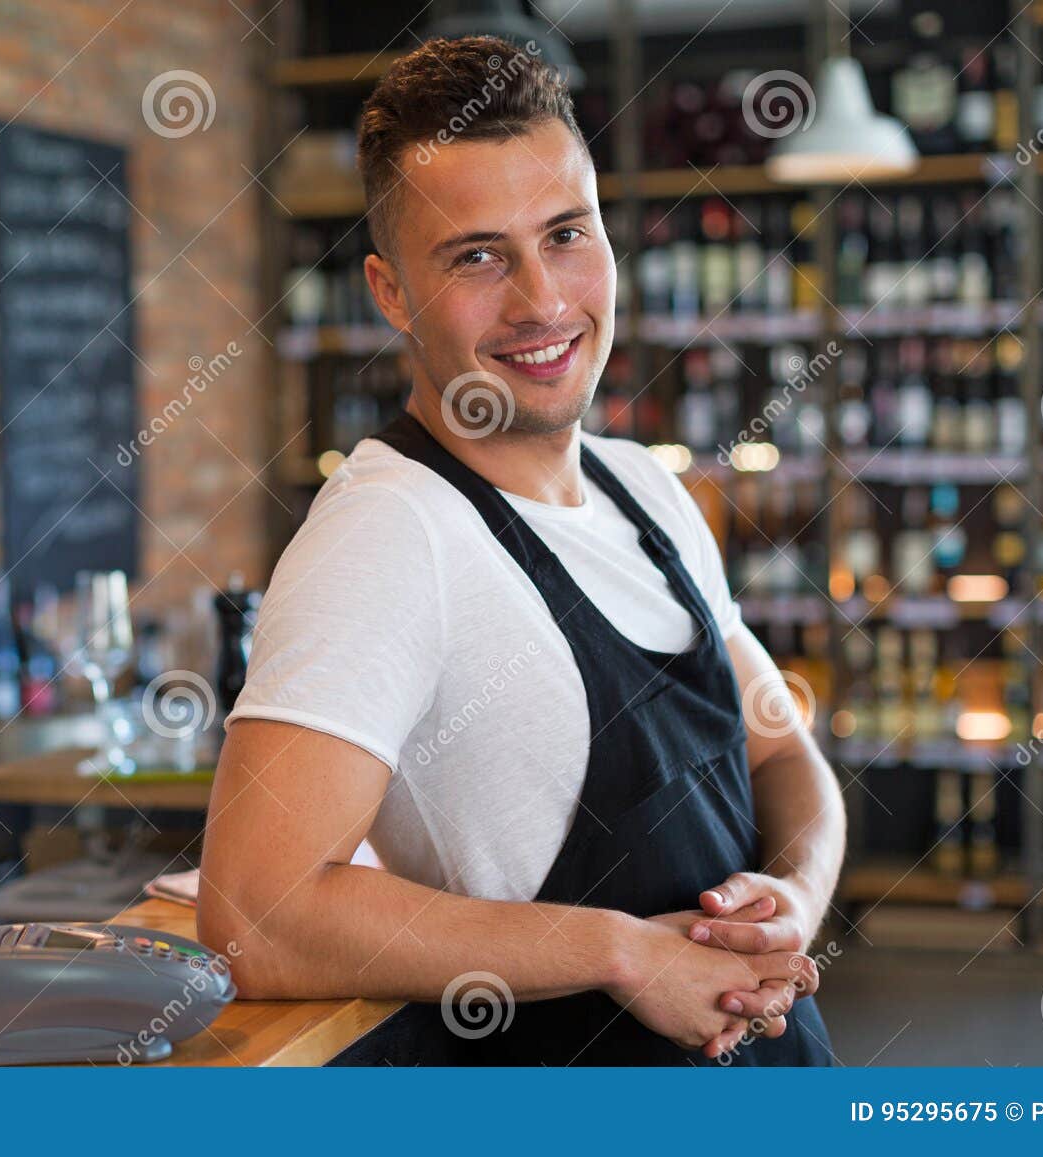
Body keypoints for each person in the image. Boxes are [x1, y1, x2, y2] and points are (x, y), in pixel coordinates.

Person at [197, 35, 843, 1065]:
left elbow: (782, 749)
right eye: (477, 255)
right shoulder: (388, 532)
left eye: (566, 234)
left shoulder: (645, 487)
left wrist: (794, 896)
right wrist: (621, 951)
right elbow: (255, 917)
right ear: (391, 292)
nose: (542, 300)